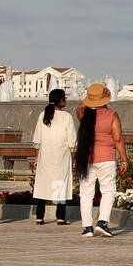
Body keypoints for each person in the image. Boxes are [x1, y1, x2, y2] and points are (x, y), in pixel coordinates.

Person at [75, 83, 128, 237]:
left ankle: (87, 227)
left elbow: (79, 108)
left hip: (87, 158)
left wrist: (90, 99)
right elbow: (117, 139)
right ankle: (102, 222)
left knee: (86, 193)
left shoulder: (83, 115)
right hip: (106, 158)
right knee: (108, 190)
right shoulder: (112, 115)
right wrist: (124, 159)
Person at [32, 88, 76, 225]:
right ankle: (60, 217)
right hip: (61, 157)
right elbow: (72, 142)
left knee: (42, 186)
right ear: (61, 100)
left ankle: (40, 216)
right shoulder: (67, 117)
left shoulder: (42, 115)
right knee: (61, 185)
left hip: (45, 156)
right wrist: (73, 159)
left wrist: (36, 158)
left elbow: (37, 139)